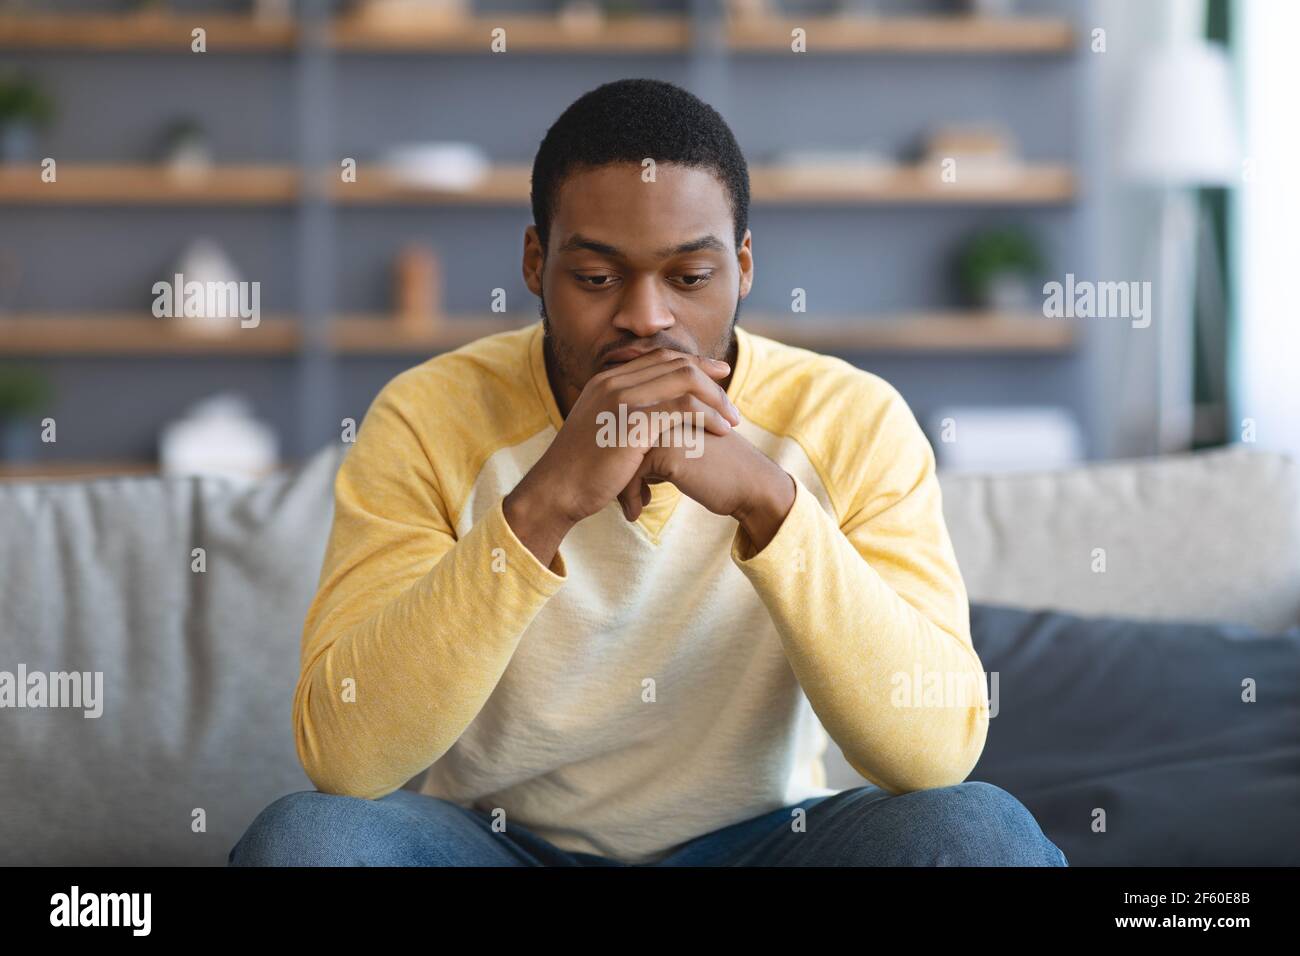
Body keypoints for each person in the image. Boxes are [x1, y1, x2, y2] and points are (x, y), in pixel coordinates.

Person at [229, 78, 1066, 867]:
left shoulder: (852, 418)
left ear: (743, 266)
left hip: (767, 841)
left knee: (978, 830)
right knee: (310, 840)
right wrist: (546, 504)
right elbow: (344, 758)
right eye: (596, 278)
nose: (645, 317)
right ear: (534, 264)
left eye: (690, 278)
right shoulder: (425, 416)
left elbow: (933, 751)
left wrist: (767, 503)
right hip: (497, 844)